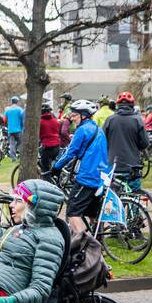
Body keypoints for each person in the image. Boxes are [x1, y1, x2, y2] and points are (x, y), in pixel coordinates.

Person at [53, 99, 108, 236]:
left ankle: (84, 246)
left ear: (84, 115)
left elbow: (70, 152)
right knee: (91, 213)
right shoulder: (98, 129)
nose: (72, 118)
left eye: (75, 115)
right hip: (100, 176)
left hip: (87, 177)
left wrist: (57, 166)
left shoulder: (82, 130)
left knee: (73, 212)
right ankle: (98, 239)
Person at [103, 91, 148, 191]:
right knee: (135, 195)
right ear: (132, 105)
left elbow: (103, 141)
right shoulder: (137, 120)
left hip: (114, 164)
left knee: (116, 197)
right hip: (132, 165)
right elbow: (145, 143)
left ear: (118, 105)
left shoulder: (110, 120)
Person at [38, 102, 63, 175]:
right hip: (57, 146)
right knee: (53, 165)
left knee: (45, 170)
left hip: (47, 147)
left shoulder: (40, 122)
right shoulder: (56, 121)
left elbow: (39, 135)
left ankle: (48, 183)